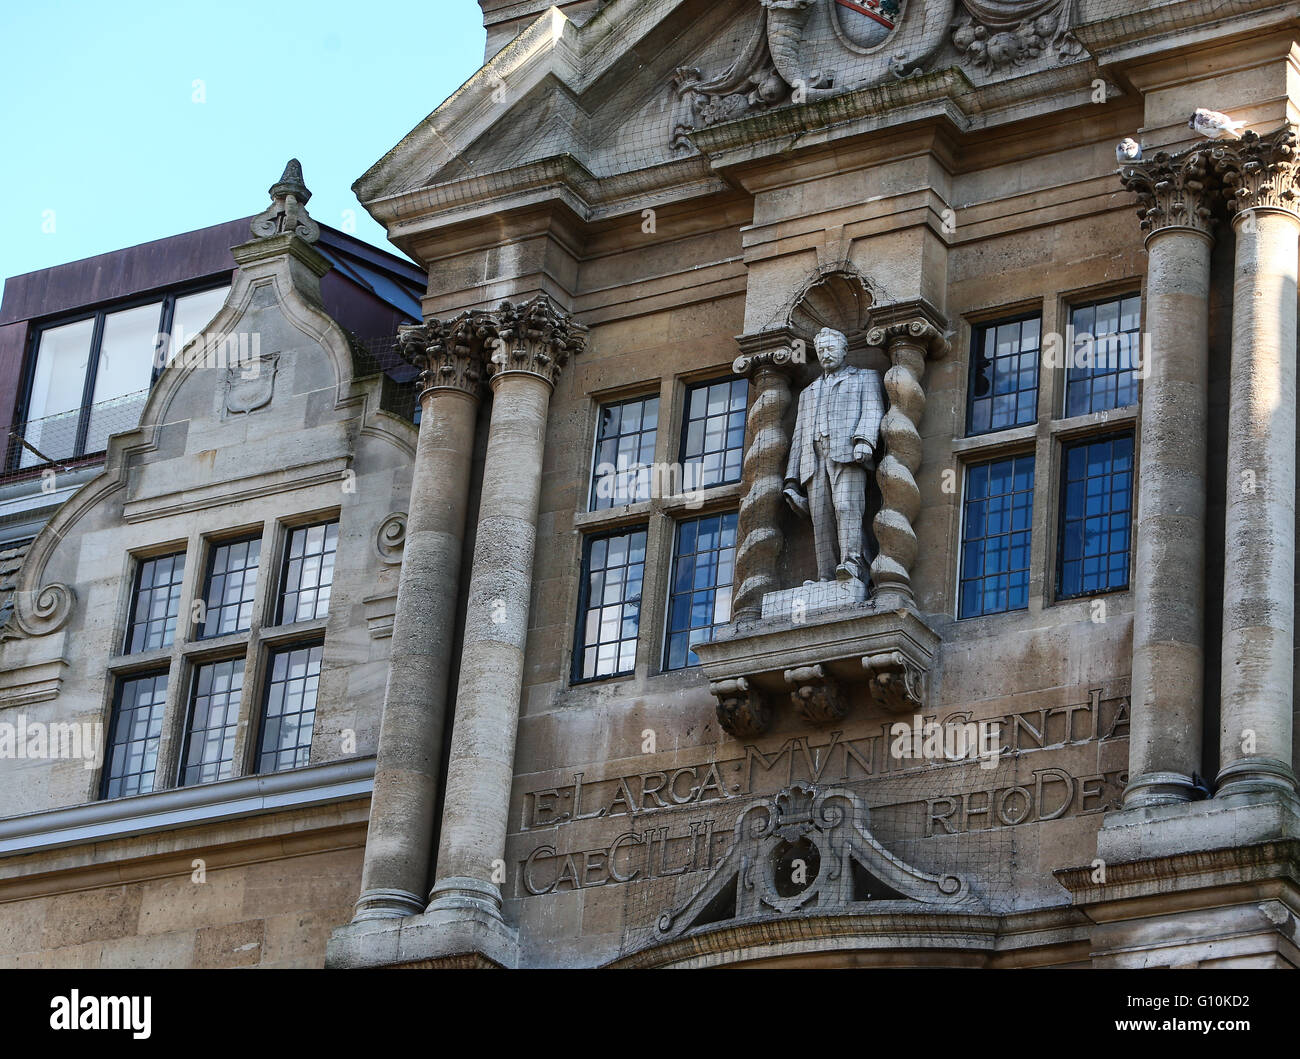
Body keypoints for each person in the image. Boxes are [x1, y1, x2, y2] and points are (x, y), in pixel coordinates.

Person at [782, 327, 886, 583]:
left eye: (830, 348)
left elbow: (873, 409)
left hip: (848, 454)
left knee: (846, 507)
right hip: (813, 459)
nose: (825, 354)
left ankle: (854, 564)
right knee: (821, 518)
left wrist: (865, 441)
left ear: (845, 350)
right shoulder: (808, 391)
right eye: (821, 350)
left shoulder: (864, 377)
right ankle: (825, 575)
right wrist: (791, 480)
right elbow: (798, 435)